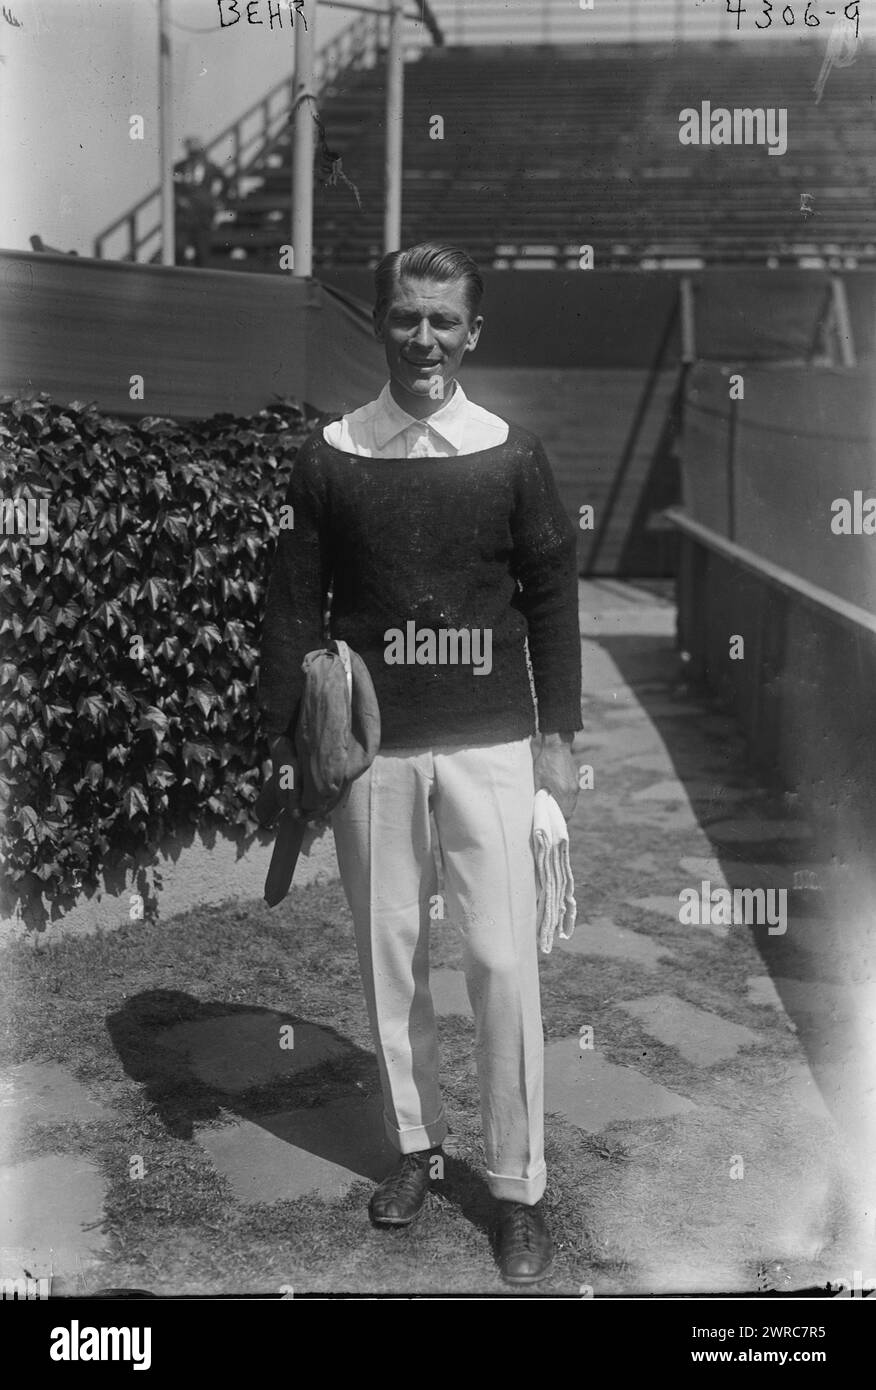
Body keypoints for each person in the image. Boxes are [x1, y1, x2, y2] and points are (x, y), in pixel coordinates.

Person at [259, 242, 582, 1285]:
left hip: (490, 744)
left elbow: (550, 595)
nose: (425, 338)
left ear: (472, 332)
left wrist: (559, 741)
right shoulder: (331, 453)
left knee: (501, 965)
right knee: (391, 964)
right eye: (407, 317)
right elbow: (292, 600)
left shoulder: (511, 453)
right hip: (376, 760)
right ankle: (416, 1148)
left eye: (445, 320)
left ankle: (519, 1187)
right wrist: (290, 737)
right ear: (381, 324)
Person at [173, 137, 228, 267]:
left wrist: (219, 200)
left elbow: (226, 182)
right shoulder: (179, 167)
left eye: (196, 152)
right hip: (184, 216)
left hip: (203, 216)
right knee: (179, 248)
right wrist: (178, 198)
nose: (194, 155)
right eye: (191, 152)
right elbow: (171, 186)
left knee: (202, 252)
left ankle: (200, 281)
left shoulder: (211, 167)